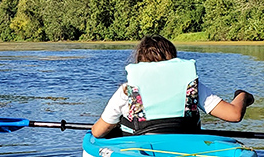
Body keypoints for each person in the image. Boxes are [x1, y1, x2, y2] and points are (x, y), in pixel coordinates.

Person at [91, 35, 254, 138]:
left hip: (144, 153)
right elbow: (234, 114)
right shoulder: (191, 86)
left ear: (140, 61)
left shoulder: (127, 91)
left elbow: (97, 132)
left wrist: (116, 124)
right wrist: (243, 95)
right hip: (185, 150)